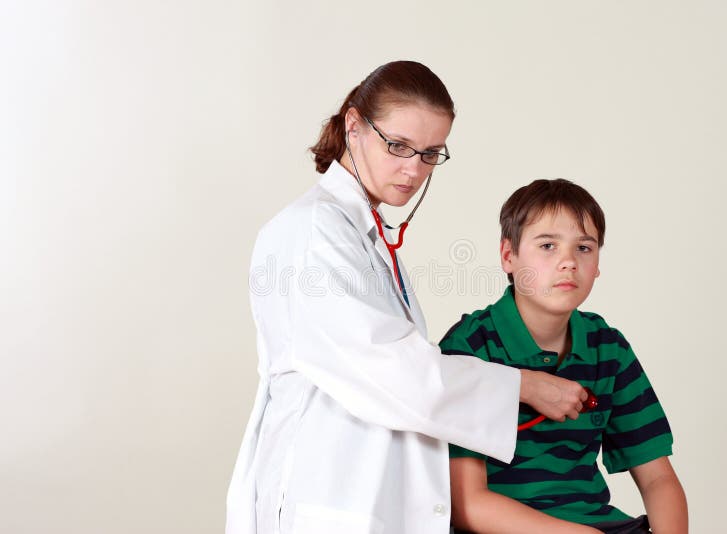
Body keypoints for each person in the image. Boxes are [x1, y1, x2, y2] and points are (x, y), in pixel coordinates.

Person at [225, 61, 589, 534]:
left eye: (430, 153)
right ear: (353, 126)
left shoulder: (363, 233)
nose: (413, 169)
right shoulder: (313, 231)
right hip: (326, 495)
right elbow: (392, 371)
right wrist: (524, 384)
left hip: (365, 495)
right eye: (398, 146)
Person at [442, 179, 688, 534]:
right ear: (508, 256)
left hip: (595, 523)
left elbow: (657, 479)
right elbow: (468, 505)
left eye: (584, 248)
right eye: (547, 246)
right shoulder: (470, 349)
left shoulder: (608, 348)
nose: (568, 262)